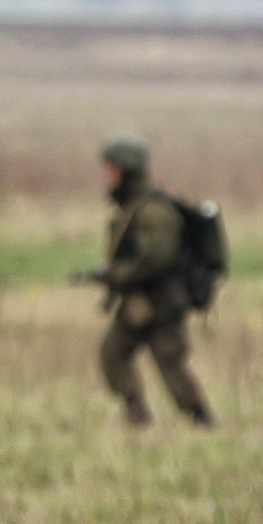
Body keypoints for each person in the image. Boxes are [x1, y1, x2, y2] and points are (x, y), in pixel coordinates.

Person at [87, 134, 213, 428]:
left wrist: (115, 275)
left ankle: (201, 419)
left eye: (113, 170)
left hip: (163, 303)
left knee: (170, 364)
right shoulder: (135, 206)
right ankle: (137, 414)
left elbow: (155, 258)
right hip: (139, 303)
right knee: (112, 353)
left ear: (127, 171)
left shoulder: (154, 210)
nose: (108, 177)